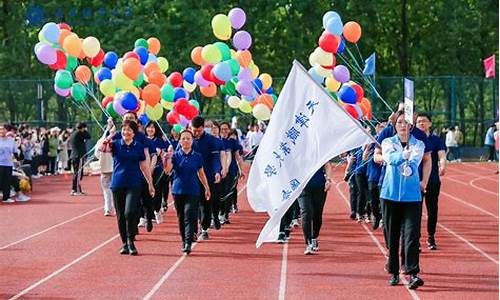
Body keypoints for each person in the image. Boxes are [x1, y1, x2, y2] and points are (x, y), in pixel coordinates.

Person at [380, 111, 425, 289]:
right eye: (399, 122)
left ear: (411, 126)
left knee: (412, 234)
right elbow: (389, 158)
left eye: (406, 123)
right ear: (395, 125)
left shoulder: (418, 144)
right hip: (390, 195)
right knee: (392, 235)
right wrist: (402, 156)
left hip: (412, 196)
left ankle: (413, 271)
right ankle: (394, 272)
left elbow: (415, 161)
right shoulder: (388, 142)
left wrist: (409, 163)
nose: (403, 125)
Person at [102, 120, 155, 256]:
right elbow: (102, 149)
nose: (126, 132)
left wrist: (150, 183)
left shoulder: (139, 147)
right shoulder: (115, 145)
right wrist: (109, 135)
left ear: (134, 132)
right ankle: (125, 243)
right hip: (118, 183)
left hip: (134, 183)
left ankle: (131, 240)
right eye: (124, 129)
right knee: (120, 215)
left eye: (129, 130)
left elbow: (144, 166)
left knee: (130, 212)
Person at [162, 130, 211, 254]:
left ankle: (188, 242)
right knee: (181, 217)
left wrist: (206, 187)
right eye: (183, 138)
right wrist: (167, 158)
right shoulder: (175, 156)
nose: (186, 141)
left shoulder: (197, 156)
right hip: (178, 190)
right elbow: (168, 171)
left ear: (192, 140)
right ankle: (184, 240)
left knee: (190, 215)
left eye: (188, 138)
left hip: (193, 190)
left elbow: (201, 173)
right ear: (180, 141)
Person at [416, 113, 446, 250]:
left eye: (424, 121)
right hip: (415, 180)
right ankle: (414, 240)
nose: (421, 124)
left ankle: (431, 237)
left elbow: (441, 155)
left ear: (430, 124)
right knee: (414, 210)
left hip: (433, 180)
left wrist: (443, 164)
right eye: (418, 122)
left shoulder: (436, 140)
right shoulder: (413, 139)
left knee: (432, 209)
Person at [191, 116, 222, 240]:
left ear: (203, 128)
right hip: (191, 177)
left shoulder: (211, 140)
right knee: (192, 205)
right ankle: (193, 230)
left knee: (205, 204)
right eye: (194, 131)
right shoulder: (187, 139)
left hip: (207, 176)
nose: (196, 133)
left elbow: (215, 158)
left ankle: (204, 228)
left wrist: (217, 171)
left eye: (199, 130)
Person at [297, 163, 332, 254]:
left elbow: (327, 165)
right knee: (306, 213)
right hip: (302, 187)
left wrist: (328, 180)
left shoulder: (318, 149)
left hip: (319, 186)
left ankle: (314, 237)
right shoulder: (296, 150)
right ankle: (308, 243)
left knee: (317, 214)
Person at [362, 121, 386, 230]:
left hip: (385, 177)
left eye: (384, 126)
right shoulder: (372, 142)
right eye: (380, 126)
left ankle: (383, 219)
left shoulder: (388, 141)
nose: (382, 128)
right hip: (372, 176)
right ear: (376, 128)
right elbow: (364, 158)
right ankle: (376, 216)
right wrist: (367, 148)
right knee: (373, 201)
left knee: (384, 201)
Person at [144, 121, 168, 224]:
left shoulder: (160, 140)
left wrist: (161, 152)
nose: (150, 130)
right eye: (148, 127)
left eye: (153, 128)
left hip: (158, 169)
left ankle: (157, 210)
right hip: (144, 169)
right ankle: (146, 214)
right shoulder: (143, 140)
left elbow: (165, 152)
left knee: (156, 191)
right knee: (145, 192)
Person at [95, 131, 114, 216]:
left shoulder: (101, 142)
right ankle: (115, 208)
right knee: (115, 189)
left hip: (104, 168)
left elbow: (97, 154)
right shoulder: (116, 141)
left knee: (106, 190)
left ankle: (107, 208)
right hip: (114, 168)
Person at [69, 122, 90, 195]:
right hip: (78, 156)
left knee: (77, 173)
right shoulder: (79, 134)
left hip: (75, 156)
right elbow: (88, 136)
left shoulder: (74, 133)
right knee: (78, 174)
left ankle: (76, 189)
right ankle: (76, 190)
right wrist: (85, 131)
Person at [0, 124, 19, 203]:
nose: (2, 131)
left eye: (3, 129)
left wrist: (17, 160)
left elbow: (15, 151)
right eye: (0, 130)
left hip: (8, 163)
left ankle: (6, 197)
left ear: (6, 130)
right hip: (0, 163)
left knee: (7, 181)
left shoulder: (11, 140)